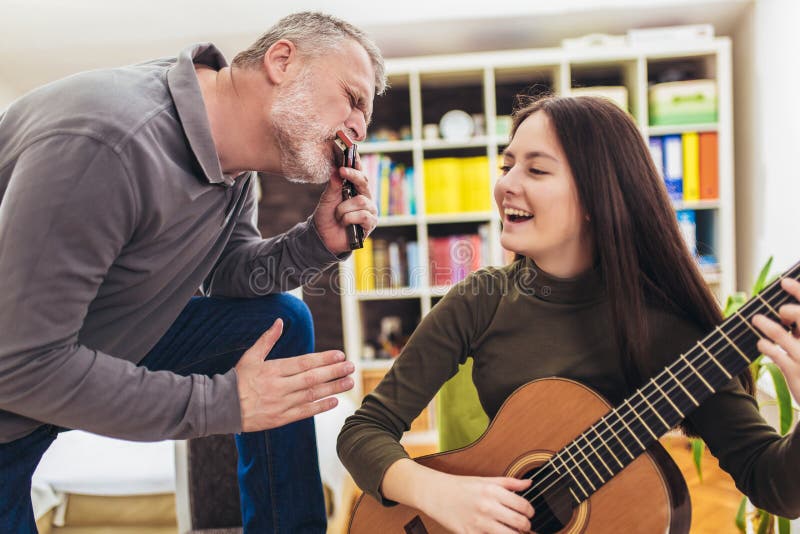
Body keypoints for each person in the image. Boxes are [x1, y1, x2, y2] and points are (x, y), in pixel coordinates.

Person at [337, 95, 800, 533]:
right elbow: (362, 432)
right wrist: (441, 494)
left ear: (599, 199)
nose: (506, 185)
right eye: (507, 165)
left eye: (536, 169)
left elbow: (775, 486)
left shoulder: (674, 330)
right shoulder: (482, 299)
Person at [0, 11, 385, 534]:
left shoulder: (235, 167)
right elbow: (20, 365)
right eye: (353, 98)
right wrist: (225, 403)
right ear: (282, 60)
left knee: (277, 321)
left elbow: (226, 275)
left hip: (71, 352)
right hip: (16, 382)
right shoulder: (106, 143)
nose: (360, 127)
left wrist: (313, 244)